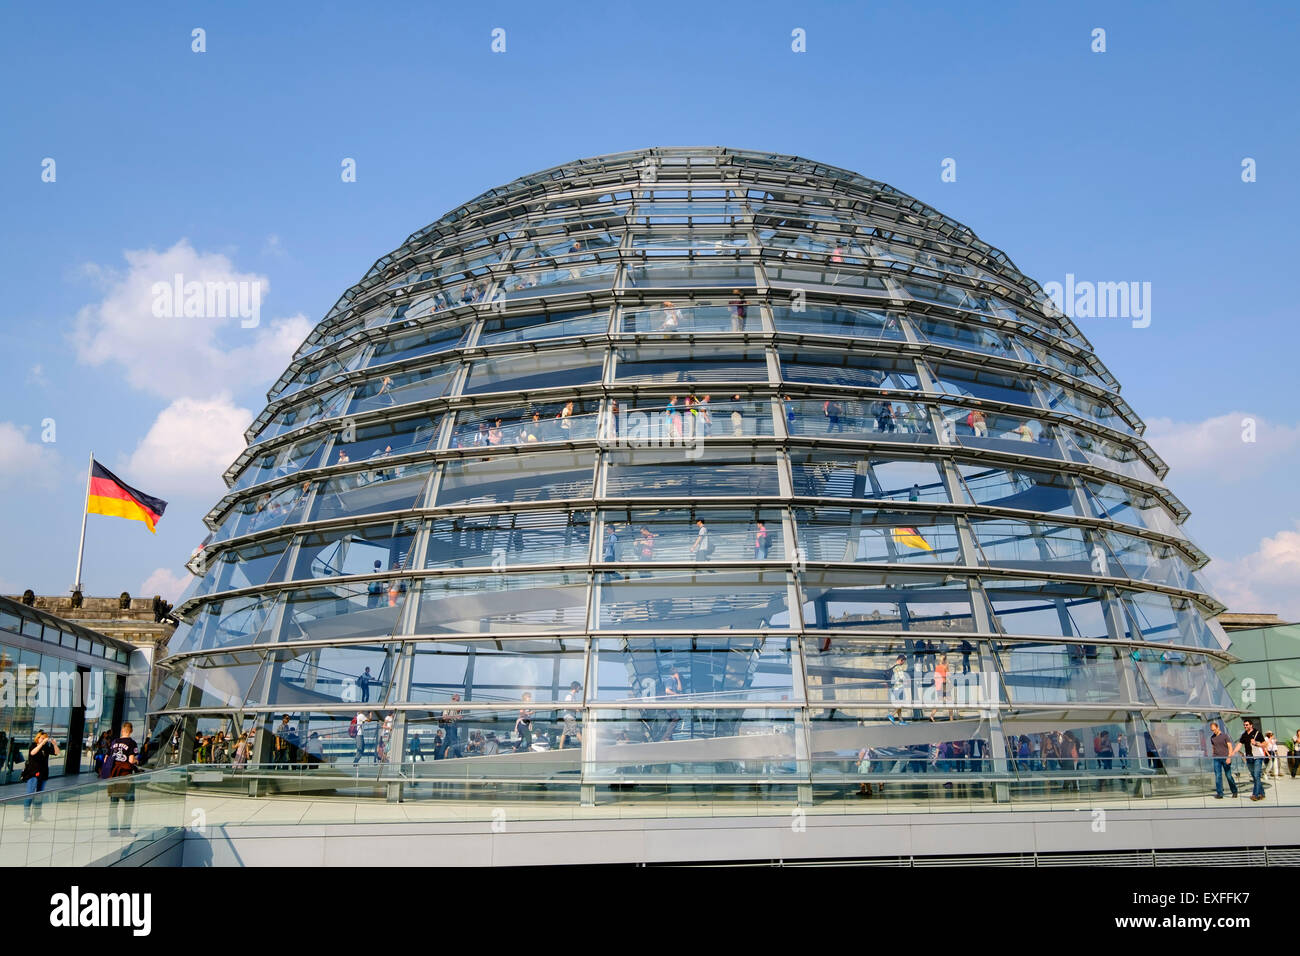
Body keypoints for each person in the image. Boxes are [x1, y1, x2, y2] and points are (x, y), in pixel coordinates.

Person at [104, 722, 139, 835]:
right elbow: (130, 760)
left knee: (114, 803)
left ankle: (113, 831)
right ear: (131, 731)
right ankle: (125, 829)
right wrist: (136, 761)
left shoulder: (114, 742)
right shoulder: (132, 743)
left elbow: (106, 759)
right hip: (125, 776)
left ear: (122, 731)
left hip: (113, 776)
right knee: (129, 803)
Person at [21, 730, 59, 822]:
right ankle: (26, 817)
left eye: (45, 738)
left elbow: (57, 752)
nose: (44, 740)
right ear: (38, 738)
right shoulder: (33, 745)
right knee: (30, 794)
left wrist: (54, 744)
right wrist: (41, 744)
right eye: (42, 738)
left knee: (39, 795)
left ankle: (37, 815)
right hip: (33, 773)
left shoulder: (46, 747)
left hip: (43, 773)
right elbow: (32, 753)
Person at [1234, 718, 1266, 801]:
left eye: (1247, 725)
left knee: (1256, 775)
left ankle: (1255, 795)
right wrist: (1233, 752)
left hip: (1257, 757)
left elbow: (1265, 744)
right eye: (1244, 725)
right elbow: (1240, 744)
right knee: (1255, 777)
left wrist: (1256, 743)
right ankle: (1262, 793)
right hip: (1249, 757)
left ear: (1251, 725)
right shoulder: (1244, 734)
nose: (1245, 726)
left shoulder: (1257, 733)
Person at [1208, 721, 1238, 798]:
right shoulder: (1212, 738)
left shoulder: (1225, 736)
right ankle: (1220, 793)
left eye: (1214, 729)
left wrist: (1229, 757)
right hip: (1216, 758)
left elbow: (1230, 747)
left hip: (1225, 758)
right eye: (1212, 730)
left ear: (1218, 727)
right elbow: (1213, 747)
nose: (1213, 731)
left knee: (1228, 776)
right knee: (1218, 776)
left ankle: (1234, 791)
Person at [559, 681, 582, 750]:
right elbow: (567, 706)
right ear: (576, 687)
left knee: (565, 732)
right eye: (579, 687)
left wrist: (577, 709)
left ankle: (560, 747)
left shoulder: (572, 696)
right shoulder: (569, 696)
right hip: (569, 717)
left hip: (569, 717)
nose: (579, 689)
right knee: (577, 731)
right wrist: (576, 710)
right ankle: (585, 747)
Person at [888, 655, 909, 723]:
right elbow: (902, 678)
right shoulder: (899, 668)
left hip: (894, 688)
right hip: (899, 688)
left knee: (899, 704)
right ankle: (892, 715)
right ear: (901, 660)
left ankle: (901, 720)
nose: (903, 663)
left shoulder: (894, 667)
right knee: (902, 703)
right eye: (903, 661)